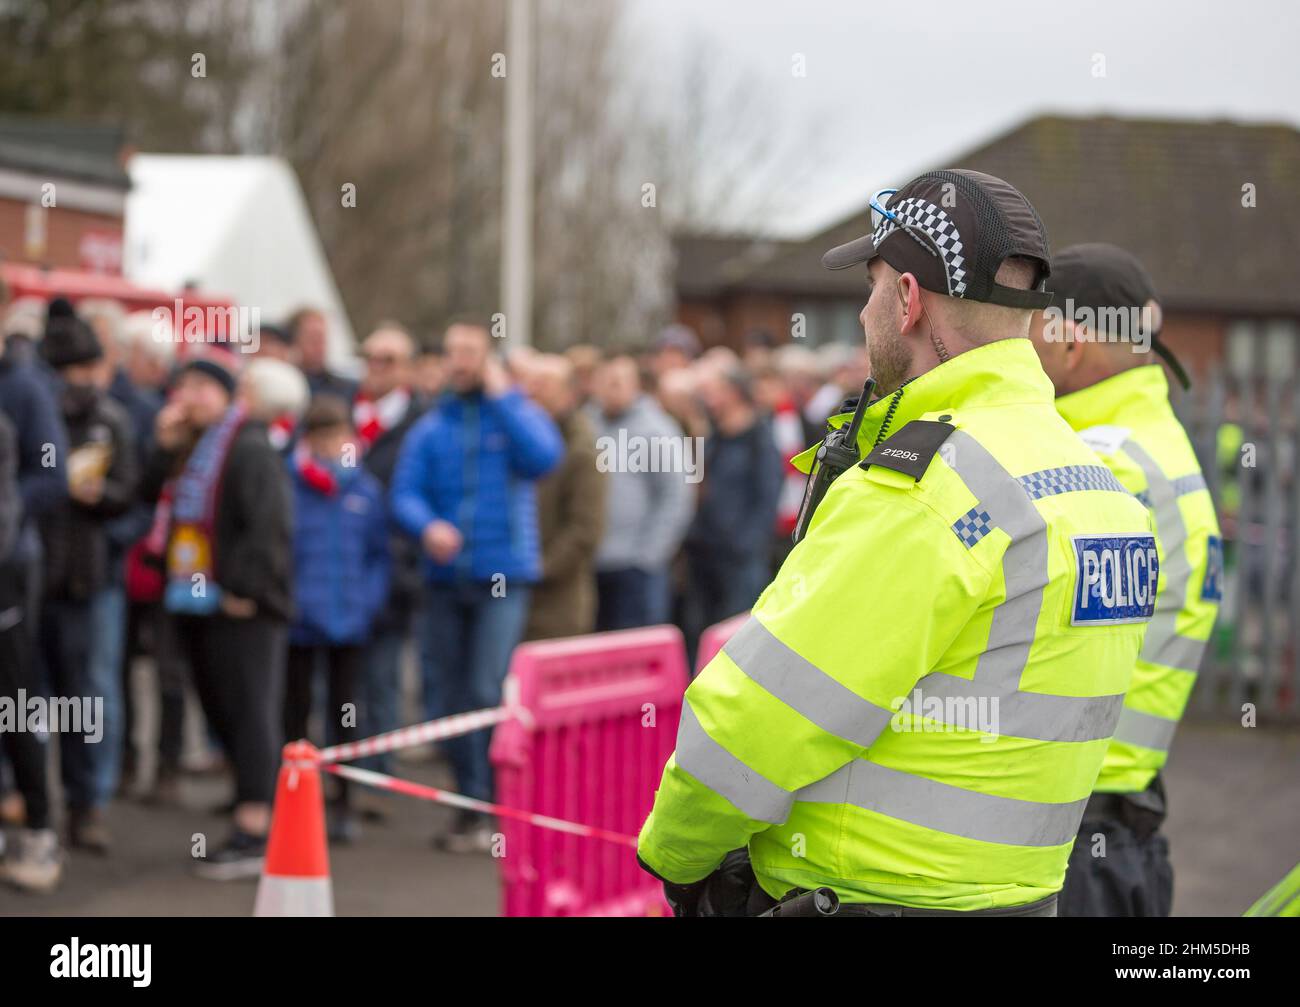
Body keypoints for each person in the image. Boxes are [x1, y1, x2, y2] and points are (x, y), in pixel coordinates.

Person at [637, 169, 1157, 917]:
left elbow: (756, 719)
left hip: (870, 895)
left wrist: (676, 854)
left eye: (873, 284)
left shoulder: (927, 485)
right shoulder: (1095, 481)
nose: (863, 309)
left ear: (908, 300)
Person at [1028, 243, 1222, 917]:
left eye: (1028, 333)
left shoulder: (1095, 462)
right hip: (1117, 831)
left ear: (1071, 346)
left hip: (1070, 843)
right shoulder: (1148, 441)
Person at [390, 320, 562, 851]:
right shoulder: (430, 426)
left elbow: (544, 458)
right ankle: (471, 803)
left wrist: (504, 397)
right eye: (452, 351)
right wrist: (427, 526)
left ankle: (498, 805)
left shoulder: (513, 413)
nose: (459, 361)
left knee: (487, 690)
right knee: (448, 697)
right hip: (445, 579)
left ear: (487, 359)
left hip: (502, 577)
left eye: (470, 351)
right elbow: (404, 492)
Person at [142, 354, 292, 879]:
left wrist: (243, 589)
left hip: (239, 605)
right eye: (185, 386)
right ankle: (246, 799)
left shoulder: (248, 446)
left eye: (206, 386)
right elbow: (146, 500)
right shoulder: (189, 449)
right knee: (219, 705)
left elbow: (267, 524)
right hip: (194, 599)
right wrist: (161, 447)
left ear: (230, 394)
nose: (193, 396)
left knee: (250, 710)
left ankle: (256, 826)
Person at [36, 301, 138, 853]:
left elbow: (131, 492)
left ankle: (88, 803)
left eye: (85, 370)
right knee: (29, 700)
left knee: (88, 699)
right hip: (35, 580)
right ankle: (32, 804)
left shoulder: (111, 420)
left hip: (87, 579)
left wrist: (101, 497)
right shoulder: (33, 415)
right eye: (69, 372)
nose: (78, 382)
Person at [285, 395, 390, 843]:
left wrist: (365, 604)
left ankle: (344, 800)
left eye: (338, 435)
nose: (332, 445)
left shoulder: (365, 490)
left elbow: (380, 557)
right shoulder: (288, 486)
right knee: (294, 713)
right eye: (323, 436)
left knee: (346, 715)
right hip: (298, 622)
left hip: (348, 622)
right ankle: (291, 800)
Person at [0, 289, 67, 891]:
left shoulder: (23, 388)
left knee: (17, 702)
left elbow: (53, 476)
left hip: (11, 572)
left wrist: (10, 510)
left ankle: (42, 830)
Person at [353, 325, 428, 785]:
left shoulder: (419, 423)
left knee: (382, 676)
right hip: (342, 564)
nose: (376, 368)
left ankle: (376, 775)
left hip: (393, 566)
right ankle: (345, 771)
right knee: (339, 680)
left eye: (388, 359)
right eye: (371, 357)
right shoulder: (346, 413)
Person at [588, 355, 694, 630]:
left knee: (635, 653)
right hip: (592, 565)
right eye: (605, 381)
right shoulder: (587, 425)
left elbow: (676, 495)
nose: (611, 389)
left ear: (636, 385)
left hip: (637, 567)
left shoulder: (658, 430)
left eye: (618, 382)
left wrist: (649, 555)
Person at [683, 363, 783, 655]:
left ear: (734, 393)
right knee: (698, 632)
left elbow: (768, 498)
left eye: (712, 391)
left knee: (733, 638)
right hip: (704, 553)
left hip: (739, 558)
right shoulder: (713, 437)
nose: (706, 398)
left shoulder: (759, 439)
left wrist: (746, 543)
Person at [521, 354, 607, 640]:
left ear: (568, 394)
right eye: (530, 383)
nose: (531, 392)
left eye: (543, 385)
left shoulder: (582, 450)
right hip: (515, 601)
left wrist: (535, 570)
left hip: (557, 607)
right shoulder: (518, 440)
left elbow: (585, 531)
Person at [287, 307, 357, 400]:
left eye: (322, 338)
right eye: (313, 338)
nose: (319, 345)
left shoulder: (347, 389)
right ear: (294, 341)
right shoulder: (287, 385)